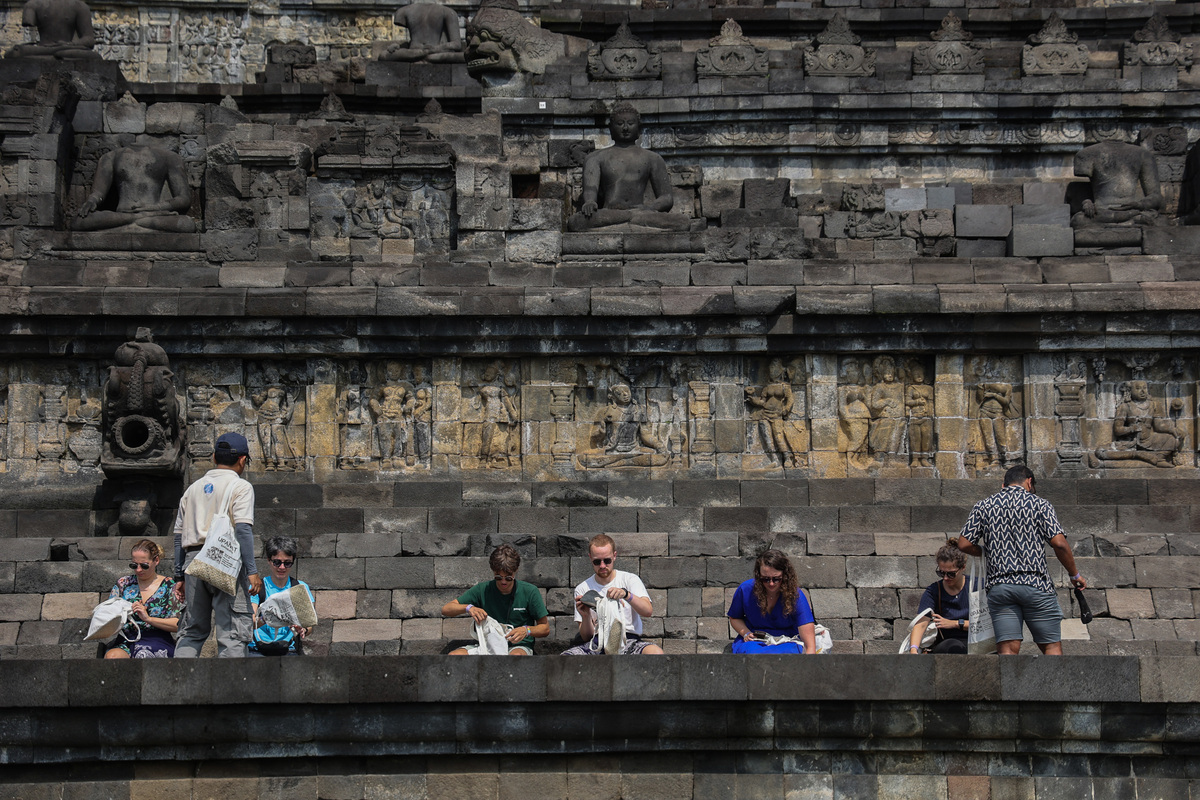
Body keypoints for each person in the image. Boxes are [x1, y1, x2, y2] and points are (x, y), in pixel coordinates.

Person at [957, 465, 1087, 656]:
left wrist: (987, 551)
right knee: (1051, 646)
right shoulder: (1040, 504)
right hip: (1036, 585)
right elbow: (1059, 544)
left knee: (1008, 649)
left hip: (1001, 587)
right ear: (1029, 482)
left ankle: (1008, 686)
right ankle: (1055, 685)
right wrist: (1074, 574)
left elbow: (964, 544)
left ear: (1004, 484)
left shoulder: (984, 506)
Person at [172, 432, 262, 658]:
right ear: (242, 459)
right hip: (225, 559)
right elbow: (242, 529)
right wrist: (252, 571)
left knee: (191, 630)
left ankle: (178, 686)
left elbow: (178, 536)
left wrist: (179, 576)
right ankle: (229, 692)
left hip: (193, 560)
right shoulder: (240, 487)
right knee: (232, 630)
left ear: (214, 457)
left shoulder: (192, 489)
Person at [567, 103, 690, 232]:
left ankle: (624, 224)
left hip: (641, 212)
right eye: (619, 124)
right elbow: (590, 190)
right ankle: (633, 223)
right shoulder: (595, 157)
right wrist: (590, 202)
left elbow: (666, 198)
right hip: (610, 213)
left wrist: (650, 209)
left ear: (639, 128)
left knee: (683, 222)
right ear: (610, 128)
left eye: (630, 123)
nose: (625, 128)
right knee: (576, 222)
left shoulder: (653, 158)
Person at [562, 534, 664, 655]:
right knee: (565, 658)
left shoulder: (629, 579)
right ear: (590, 558)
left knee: (655, 653)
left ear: (614, 556)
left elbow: (647, 611)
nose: (602, 566)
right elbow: (586, 637)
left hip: (628, 639)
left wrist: (626, 594)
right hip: (597, 641)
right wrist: (585, 616)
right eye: (597, 562)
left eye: (607, 560)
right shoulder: (583, 588)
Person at [441, 543, 549, 655]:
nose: (503, 582)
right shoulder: (483, 589)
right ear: (493, 571)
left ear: (516, 571)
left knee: (515, 658)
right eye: (498, 577)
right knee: (454, 656)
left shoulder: (529, 591)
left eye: (508, 578)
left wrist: (527, 630)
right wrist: (469, 608)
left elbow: (545, 628)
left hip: (517, 646)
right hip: (488, 645)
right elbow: (446, 609)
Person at [74, 145, 196, 233]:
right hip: (123, 214)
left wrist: (154, 208)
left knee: (187, 224)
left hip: (153, 214)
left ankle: (130, 224)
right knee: (79, 221)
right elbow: (98, 193)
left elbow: (183, 199)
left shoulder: (170, 157)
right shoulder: (110, 157)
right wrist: (91, 201)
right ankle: (137, 220)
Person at [104, 539, 183, 659]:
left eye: (144, 565)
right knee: (112, 657)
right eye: (134, 565)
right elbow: (108, 616)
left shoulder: (170, 586)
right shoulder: (123, 584)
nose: (138, 570)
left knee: (144, 655)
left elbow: (178, 624)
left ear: (156, 560)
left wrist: (148, 619)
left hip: (156, 638)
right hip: (127, 639)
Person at [727, 549, 816, 654]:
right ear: (758, 575)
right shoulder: (745, 589)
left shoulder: (795, 595)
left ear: (785, 576)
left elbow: (809, 644)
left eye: (776, 579)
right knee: (749, 652)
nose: (771, 584)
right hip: (755, 639)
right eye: (765, 579)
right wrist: (746, 633)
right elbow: (734, 617)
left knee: (792, 653)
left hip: (787, 641)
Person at [249, 536, 314, 657]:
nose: (282, 567)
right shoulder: (258, 587)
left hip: (288, 649)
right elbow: (249, 622)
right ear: (269, 560)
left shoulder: (299, 587)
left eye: (287, 563)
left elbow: (309, 625)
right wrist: (267, 619)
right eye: (277, 562)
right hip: (258, 649)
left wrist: (302, 629)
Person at [906, 540, 969, 655]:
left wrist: (955, 623)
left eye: (951, 574)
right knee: (952, 647)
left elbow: (987, 623)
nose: (945, 578)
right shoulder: (934, 590)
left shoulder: (976, 586)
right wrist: (913, 649)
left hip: (978, 639)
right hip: (948, 643)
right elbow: (921, 623)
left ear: (963, 568)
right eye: (941, 573)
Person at [7, 0, 99, 58]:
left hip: (68, 48)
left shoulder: (80, 6)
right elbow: (28, 21)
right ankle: (57, 51)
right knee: (16, 52)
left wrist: (69, 44)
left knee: (94, 56)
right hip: (43, 48)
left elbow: (89, 39)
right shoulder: (33, 4)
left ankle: (59, 51)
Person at [380, 0, 464, 63]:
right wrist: (398, 46)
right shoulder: (449, 12)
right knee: (383, 55)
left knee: (464, 57)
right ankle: (425, 54)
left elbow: (457, 44)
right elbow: (456, 44)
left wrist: (434, 49)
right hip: (426, 53)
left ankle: (423, 54)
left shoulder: (448, 12)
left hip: (421, 53)